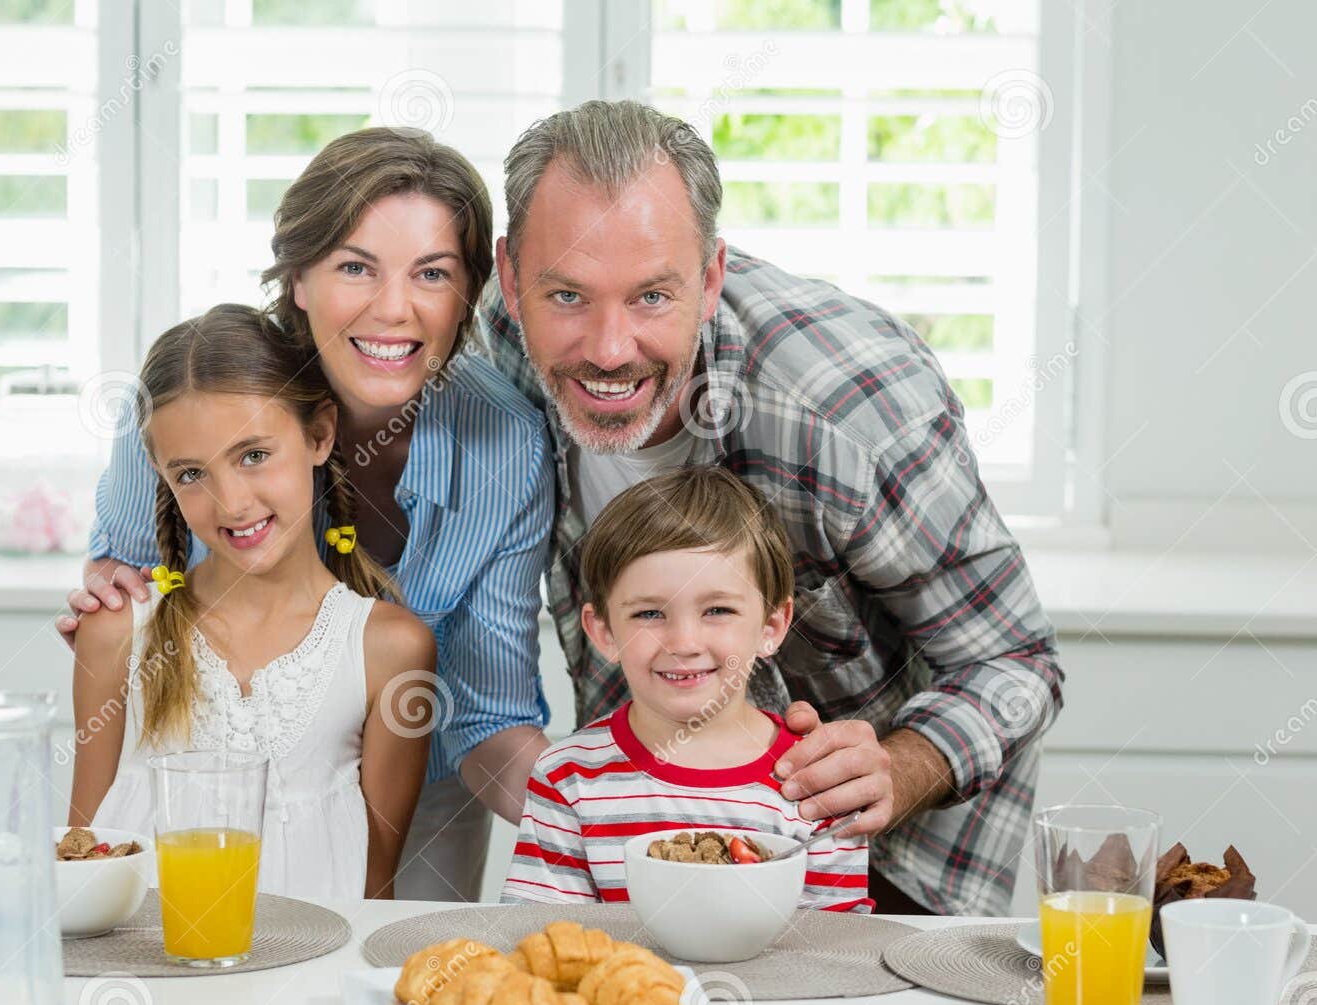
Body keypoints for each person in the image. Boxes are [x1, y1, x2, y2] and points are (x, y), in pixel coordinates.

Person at [480, 100, 1065, 917]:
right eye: (568, 296)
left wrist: (900, 766)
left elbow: (1014, 662)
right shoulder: (489, 349)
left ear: (712, 274)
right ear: (511, 278)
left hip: (877, 849)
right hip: (641, 844)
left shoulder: (851, 412)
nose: (609, 348)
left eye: (652, 297)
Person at [60, 128, 553, 901]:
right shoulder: (190, 399)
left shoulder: (509, 445)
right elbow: (131, 584)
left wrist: (603, 818)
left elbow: (488, 711)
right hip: (192, 808)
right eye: (356, 267)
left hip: (418, 801)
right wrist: (107, 618)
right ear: (297, 277)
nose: (394, 310)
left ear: (471, 294)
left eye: (432, 273)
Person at [68, 303, 433, 900]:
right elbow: (82, 858)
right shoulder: (116, 633)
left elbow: (376, 888)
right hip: (146, 983)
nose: (232, 503)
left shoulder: (389, 649)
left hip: (311, 978)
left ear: (319, 435)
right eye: (190, 474)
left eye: (254, 456)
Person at [502, 467, 873, 912]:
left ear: (771, 626)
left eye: (717, 609)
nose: (682, 644)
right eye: (649, 614)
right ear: (603, 632)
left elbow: (833, 951)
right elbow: (545, 943)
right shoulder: (567, 776)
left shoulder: (818, 779)